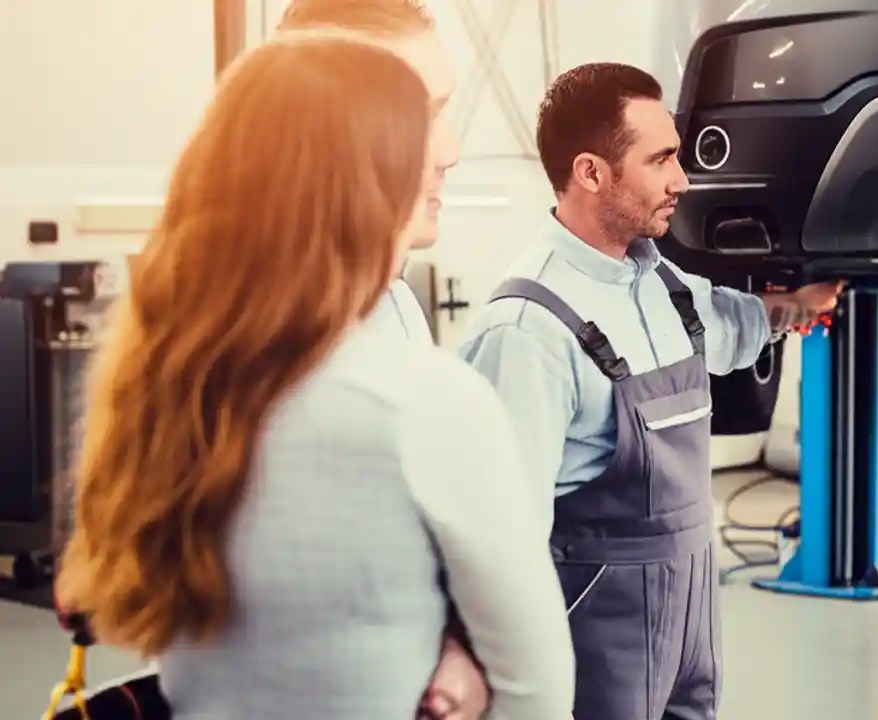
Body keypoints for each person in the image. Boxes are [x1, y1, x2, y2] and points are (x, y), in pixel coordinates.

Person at [53, 34, 574, 720]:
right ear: (354, 180)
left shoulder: (170, 379)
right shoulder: (421, 400)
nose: (445, 155)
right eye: (417, 128)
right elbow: (539, 691)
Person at [456, 62, 844, 719]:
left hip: (693, 611)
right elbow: (501, 545)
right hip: (599, 632)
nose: (681, 180)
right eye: (660, 159)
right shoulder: (528, 329)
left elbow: (732, 324)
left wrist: (800, 302)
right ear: (591, 172)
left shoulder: (658, 281)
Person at [272, 3, 491, 717]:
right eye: (423, 112)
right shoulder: (246, 344)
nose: (451, 149)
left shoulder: (393, 305)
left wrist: (451, 643)